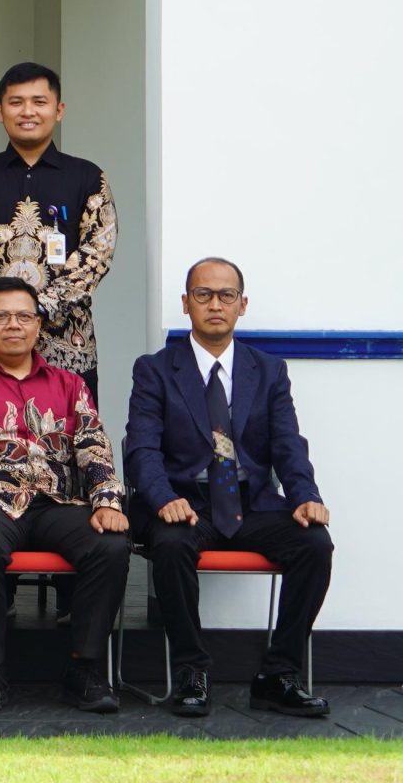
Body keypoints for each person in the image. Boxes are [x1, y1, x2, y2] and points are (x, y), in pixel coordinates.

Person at [124, 257, 333, 718]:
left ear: (242, 304)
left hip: (249, 501)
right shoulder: (155, 370)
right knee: (171, 544)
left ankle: (278, 674)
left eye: (225, 296)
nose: (214, 305)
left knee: (314, 544)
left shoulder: (269, 370)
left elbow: (288, 444)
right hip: (184, 501)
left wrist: (305, 497)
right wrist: (163, 499)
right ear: (185, 303)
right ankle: (191, 671)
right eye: (203, 295)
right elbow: (141, 450)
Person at [0, 275, 129, 714]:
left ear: (40, 324)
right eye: (0, 316)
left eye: (24, 316)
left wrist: (107, 501)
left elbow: (94, 448)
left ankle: (85, 668)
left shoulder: (69, 383)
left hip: (56, 504)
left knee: (110, 544)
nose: (13, 325)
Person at [0, 62, 117, 393]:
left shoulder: (87, 177)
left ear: (59, 110)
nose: (28, 111)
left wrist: (39, 309)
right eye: (16, 102)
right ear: (0, 111)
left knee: (70, 440)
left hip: (67, 347)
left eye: (39, 102)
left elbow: (98, 253)